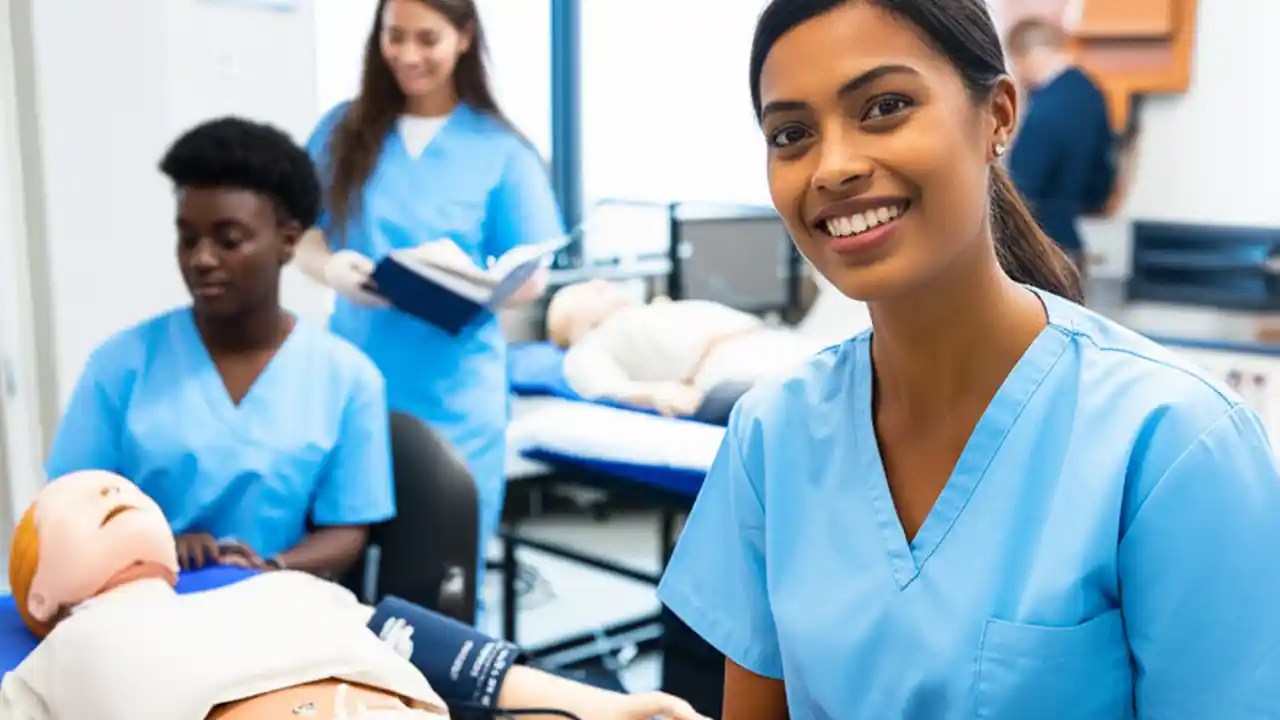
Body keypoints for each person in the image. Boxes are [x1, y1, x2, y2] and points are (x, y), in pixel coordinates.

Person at [656, 1, 1280, 719]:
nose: (832, 167)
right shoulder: (771, 435)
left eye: (885, 107)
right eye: (791, 134)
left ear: (999, 117)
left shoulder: (1172, 445)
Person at [0, 470, 709, 720]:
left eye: (122, 487)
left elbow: (434, 652)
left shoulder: (276, 592)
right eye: (76, 497)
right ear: (35, 593)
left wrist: (606, 704)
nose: (110, 488)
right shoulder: (51, 659)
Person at [294, 0, 564, 613]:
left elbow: (531, 270)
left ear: (464, 38)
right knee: (333, 583)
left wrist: (489, 283)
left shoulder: (501, 150)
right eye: (394, 37)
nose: (408, 55)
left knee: (435, 594)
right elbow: (299, 231)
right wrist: (329, 267)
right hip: (354, 390)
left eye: (427, 39)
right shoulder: (343, 130)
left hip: (455, 402)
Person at [44, 117, 395, 577]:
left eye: (229, 241)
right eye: (188, 239)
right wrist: (158, 545)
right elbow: (69, 513)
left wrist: (271, 568)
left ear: (287, 242)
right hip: (143, 602)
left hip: (281, 608)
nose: (201, 259)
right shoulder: (120, 366)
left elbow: (348, 530)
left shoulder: (348, 379)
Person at [545, 280, 830, 417]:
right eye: (590, 292)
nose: (602, 284)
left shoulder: (645, 312)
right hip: (730, 365)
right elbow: (604, 386)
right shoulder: (589, 345)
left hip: (769, 342)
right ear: (578, 323)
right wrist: (658, 394)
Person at [1005, 17, 1115, 276]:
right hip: (1071, 250)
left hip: (1039, 253)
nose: (1018, 74)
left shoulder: (1046, 109)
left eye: (1017, 63)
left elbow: (1020, 190)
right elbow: (1102, 181)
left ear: (1030, 54)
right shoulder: (1091, 93)